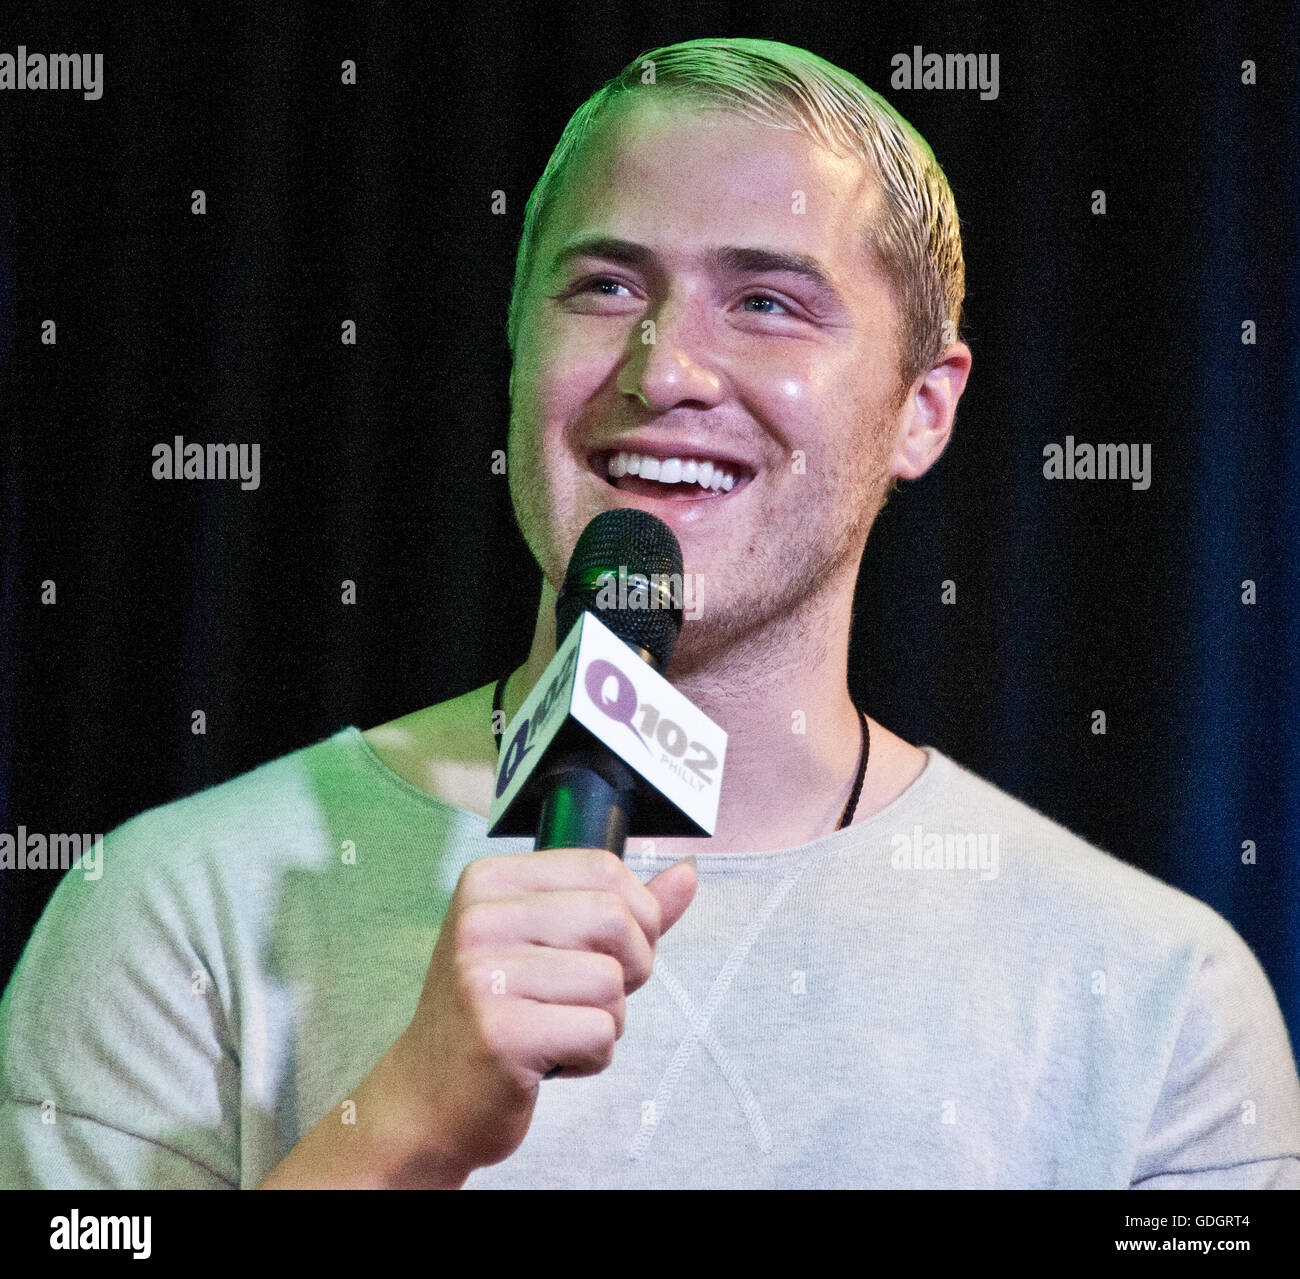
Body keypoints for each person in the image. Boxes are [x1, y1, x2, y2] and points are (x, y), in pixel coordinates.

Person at [2, 37, 1298, 1191]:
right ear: (515, 346)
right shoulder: (175, 908)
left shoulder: (1152, 997)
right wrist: (396, 1129)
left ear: (924, 408)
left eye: (769, 302)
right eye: (607, 287)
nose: (665, 369)